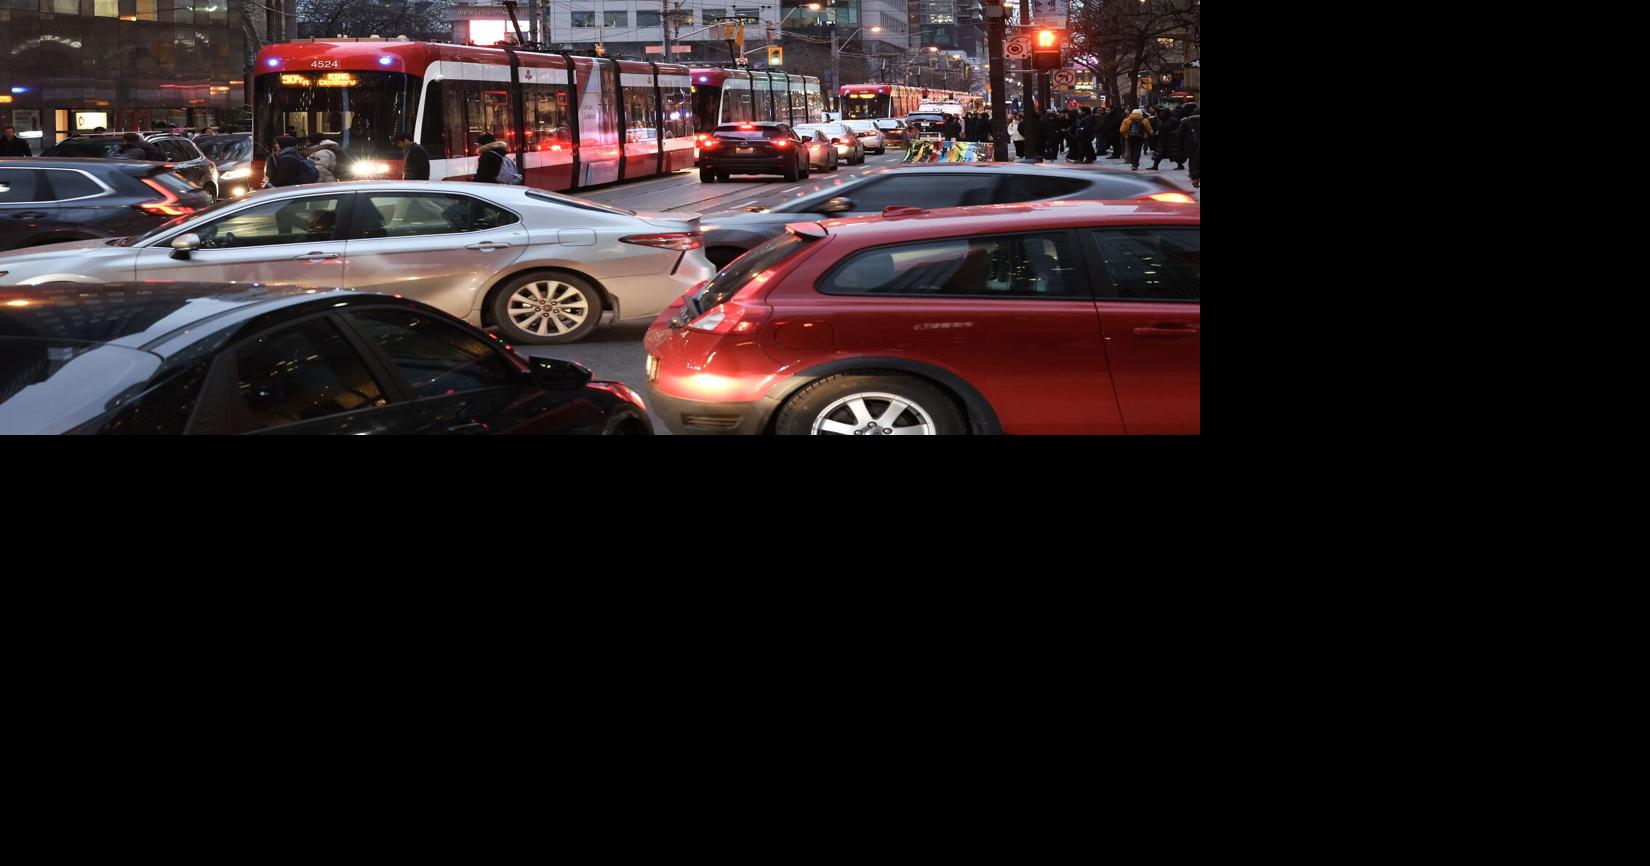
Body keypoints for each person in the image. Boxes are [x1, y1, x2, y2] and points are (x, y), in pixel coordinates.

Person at [1120, 106, 1152, 170]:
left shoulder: (1126, 120)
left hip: (1130, 137)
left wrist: (1126, 135)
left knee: (1131, 149)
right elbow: (1149, 130)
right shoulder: (1145, 120)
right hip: (1140, 137)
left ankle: (1132, 163)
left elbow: (1122, 130)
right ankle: (1135, 164)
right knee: (1137, 150)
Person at [1178, 104, 1200, 187]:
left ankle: (1194, 176)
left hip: (1190, 144)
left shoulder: (1187, 121)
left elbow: (1180, 134)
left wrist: (1180, 145)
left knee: (1192, 159)